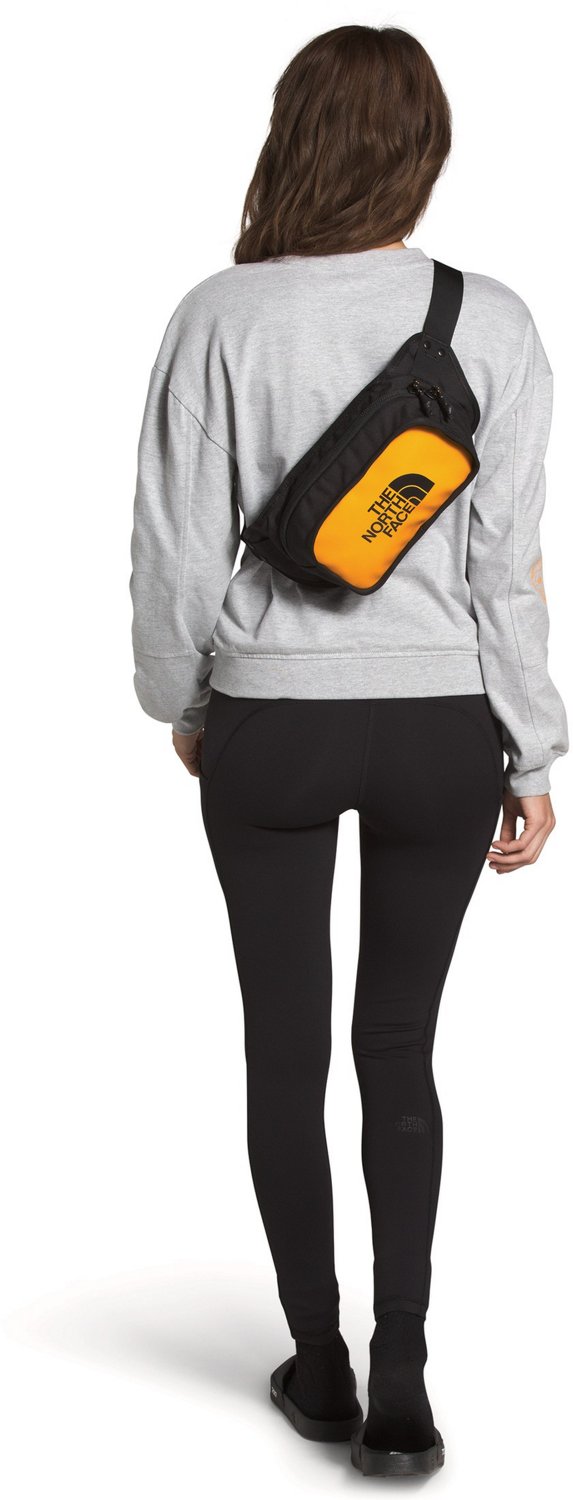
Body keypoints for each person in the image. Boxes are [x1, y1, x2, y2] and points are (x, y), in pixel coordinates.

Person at [129, 22, 569, 1478]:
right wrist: (530, 753)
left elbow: (175, 555)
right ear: (424, 150)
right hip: (444, 729)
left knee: (284, 1044)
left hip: (271, 725)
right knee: (400, 1051)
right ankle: (404, 1382)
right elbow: (508, 568)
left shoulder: (219, 316)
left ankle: (314, 1363)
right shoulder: (492, 321)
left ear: (291, 137)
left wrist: (187, 703)